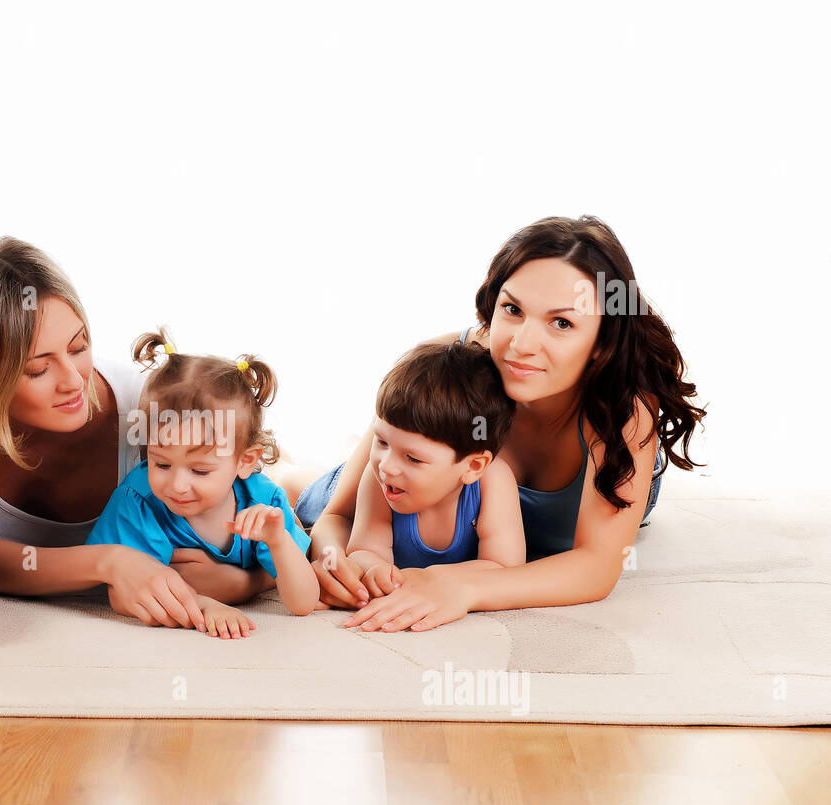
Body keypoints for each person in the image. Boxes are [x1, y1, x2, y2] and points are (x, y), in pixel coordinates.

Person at [290, 215, 705, 632]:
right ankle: (295, 468)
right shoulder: (454, 371)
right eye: (512, 309)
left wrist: (461, 587)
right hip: (435, 490)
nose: (521, 346)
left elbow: (597, 567)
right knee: (308, 499)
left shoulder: (624, 408)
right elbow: (335, 516)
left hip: (582, 485)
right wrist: (333, 562)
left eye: (562, 323)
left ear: (603, 342)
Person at [0, 238, 272, 631]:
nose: (73, 380)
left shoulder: (149, 409)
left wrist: (248, 580)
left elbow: (268, 515)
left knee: (296, 485)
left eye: (79, 347)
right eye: (38, 369)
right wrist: (109, 561)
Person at [85, 330, 318, 637]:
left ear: (245, 462)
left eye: (200, 470)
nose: (178, 485)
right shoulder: (138, 500)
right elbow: (122, 594)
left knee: (302, 488)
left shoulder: (264, 503)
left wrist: (279, 542)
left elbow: (303, 603)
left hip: (281, 495)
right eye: (162, 463)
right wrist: (202, 605)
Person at [338, 340, 525, 629]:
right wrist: (374, 570)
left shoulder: (493, 482)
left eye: (413, 458)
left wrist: (431, 578)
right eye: (382, 441)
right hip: (330, 487)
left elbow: (505, 566)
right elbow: (364, 549)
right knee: (304, 493)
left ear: (472, 467)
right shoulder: (381, 475)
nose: (387, 463)